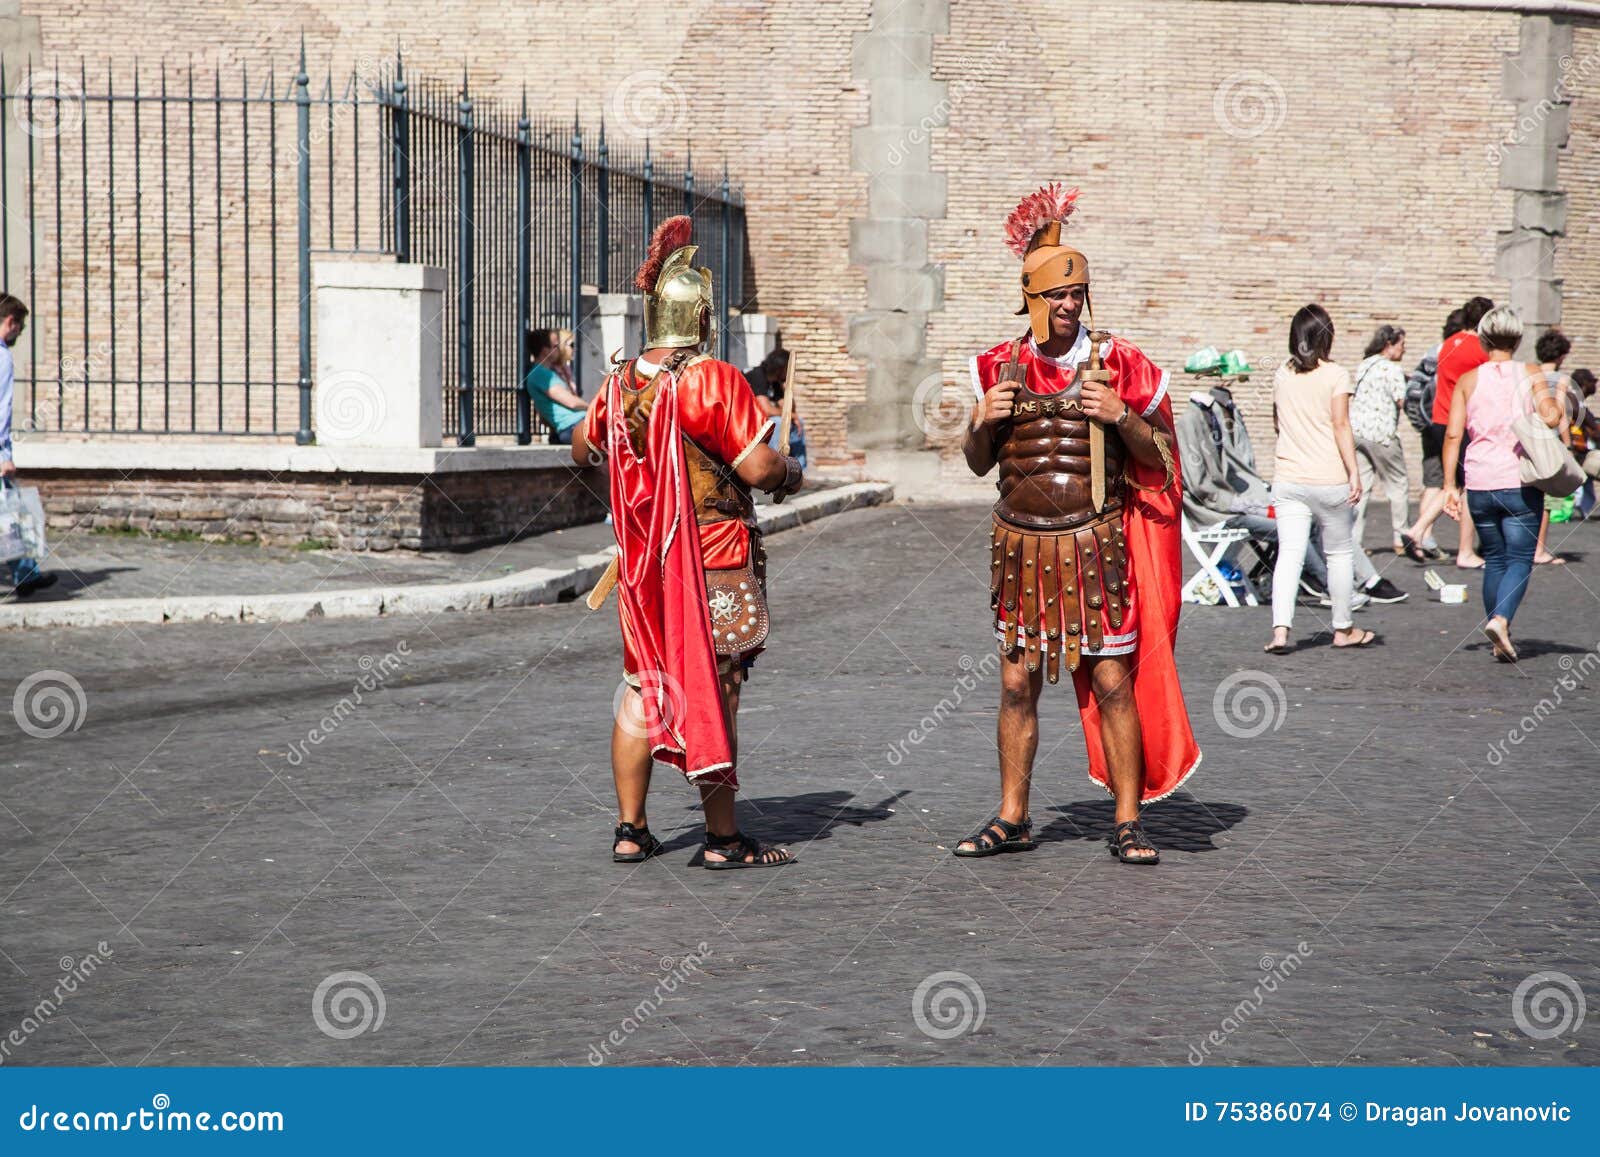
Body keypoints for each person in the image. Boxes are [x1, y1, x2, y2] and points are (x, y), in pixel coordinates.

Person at [960, 183, 1199, 866]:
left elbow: (1162, 461)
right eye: (1055, 296)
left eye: (1076, 294)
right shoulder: (996, 366)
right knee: (1014, 684)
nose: (1068, 306)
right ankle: (1014, 814)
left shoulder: (1118, 361)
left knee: (1112, 681)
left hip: (1096, 544)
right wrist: (984, 422)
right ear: (1031, 299)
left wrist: (1120, 417)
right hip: (1020, 546)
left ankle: (1127, 819)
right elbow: (979, 464)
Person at [572, 216, 804, 869]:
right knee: (715, 684)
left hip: (643, 562)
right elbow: (758, 469)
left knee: (644, 684)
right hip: (714, 556)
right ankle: (723, 839)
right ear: (700, 317)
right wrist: (789, 472)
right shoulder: (710, 379)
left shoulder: (620, 382)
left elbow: (582, 446)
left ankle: (631, 828)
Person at [1441, 306, 1563, 663]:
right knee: (1520, 558)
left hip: (1479, 482)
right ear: (1519, 339)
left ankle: (1498, 636)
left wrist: (1450, 485)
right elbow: (1551, 416)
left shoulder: (1467, 380)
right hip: (1519, 479)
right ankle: (1501, 619)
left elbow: (1452, 434)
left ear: (1483, 340)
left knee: (1493, 558)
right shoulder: (1530, 372)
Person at [1264, 304, 1379, 654]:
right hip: (1328, 477)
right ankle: (1343, 629)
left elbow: (1277, 423)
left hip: (1288, 478)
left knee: (1290, 555)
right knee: (1339, 554)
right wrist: (1354, 471)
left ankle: (1281, 632)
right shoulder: (1337, 375)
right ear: (1326, 337)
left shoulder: (1282, 374)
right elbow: (1341, 425)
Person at [1175, 372, 1335, 600]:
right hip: (1214, 514)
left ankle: (1314, 578)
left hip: (1227, 505)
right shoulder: (1189, 422)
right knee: (1290, 530)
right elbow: (1199, 484)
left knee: (1306, 520)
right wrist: (1239, 503)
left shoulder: (1209, 417)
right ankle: (1327, 585)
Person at [1403, 296, 1493, 568]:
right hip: (1463, 423)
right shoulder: (1480, 349)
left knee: (1448, 483)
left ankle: (1417, 530)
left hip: (1440, 420)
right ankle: (1465, 551)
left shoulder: (1446, 346)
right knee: (1469, 486)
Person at [0, 293, 55, 598]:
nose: (18, 334)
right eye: (19, 327)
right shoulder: (2, 357)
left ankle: (26, 573)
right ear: (11, 321)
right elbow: (1, 410)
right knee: (13, 513)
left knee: (11, 512)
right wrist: (2, 455)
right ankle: (25, 574)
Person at [1351, 325, 1411, 557]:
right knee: (1397, 484)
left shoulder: (1365, 365)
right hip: (1382, 433)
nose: (1403, 350)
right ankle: (1401, 537)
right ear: (1389, 345)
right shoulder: (1392, 369)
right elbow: (1401, 401)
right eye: (1401, 345)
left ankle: (1354, 542)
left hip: (1358, 433)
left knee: (1361, 488)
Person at [1533, 328, 1574, 564]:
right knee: (1547, 502)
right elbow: (1560, 415)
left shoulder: (1531, 374)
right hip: (1549, 441)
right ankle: (1538, 551)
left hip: (1531, 438)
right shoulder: (1561, 379)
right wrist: (1567, 446)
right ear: (1560, 356)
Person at [744, 347, 806, 465]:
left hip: (759, 419)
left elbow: (788, 407)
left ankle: (799, 468)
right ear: (780, 368)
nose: (789, 373)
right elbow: (766, 410)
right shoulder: (758, 375)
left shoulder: (775, 382)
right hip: (745, 420)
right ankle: (776, 465)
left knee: (799, 421)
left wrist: (787, 388)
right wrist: (792, 415)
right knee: (777, 422)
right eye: (787, 370)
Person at [526, 328, 587, 445]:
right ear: (545, 350)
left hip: (575, 425)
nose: (559, 349)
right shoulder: (540, 374)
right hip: (572, 426)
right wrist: (595, 408)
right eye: (555, 346)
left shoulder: (549, 372)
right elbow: (571, 402)